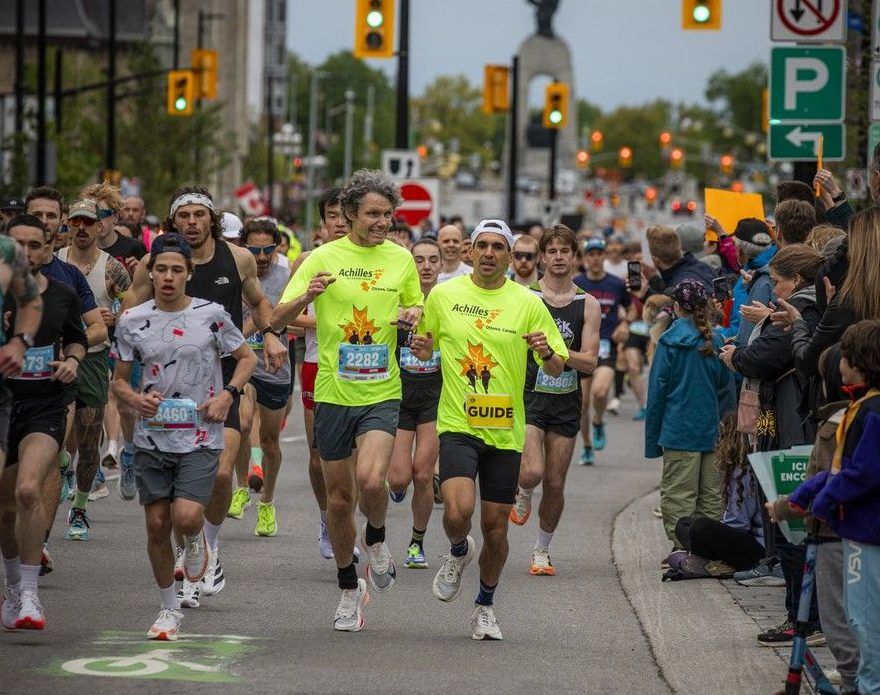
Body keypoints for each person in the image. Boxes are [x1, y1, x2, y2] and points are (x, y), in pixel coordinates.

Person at [271, 169, 423, 632]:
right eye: (373, 213)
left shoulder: (400, 260)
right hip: (335, 391)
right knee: (339, 501)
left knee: (372, 482)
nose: (382, 221)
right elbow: (276, 318)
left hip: (382, 388)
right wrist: (307, 297)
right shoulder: (321, 257)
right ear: (351, 213)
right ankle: (347, 587)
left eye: (387, 214)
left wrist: (414, 318)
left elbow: (416, 312)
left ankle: (375, 538)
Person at [124, 184, 286, 603]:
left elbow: (258, 302)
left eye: (199, 215)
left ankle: (206, 549)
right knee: (179, 489)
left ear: (211, 219)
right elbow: (129, 309)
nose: (192, 223)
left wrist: (269, 335)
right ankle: (192, 545)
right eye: (184, 216)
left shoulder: (238, 258)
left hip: (225, 381)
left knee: (217, 473)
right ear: (173, 221)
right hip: (170, 389)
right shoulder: (155, 264)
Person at [409, 218, 568, 640]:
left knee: (496, 529)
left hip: (505, 431)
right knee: (458, 512)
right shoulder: (444, 295)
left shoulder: (528, 302)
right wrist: (422, 345)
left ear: (510, 256)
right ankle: (458, 551)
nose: (489, 253)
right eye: (482, 245)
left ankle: (484, 605)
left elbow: (556, 364)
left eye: (499, 247)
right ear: (469, 250)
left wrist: (546, 351)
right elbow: (425, 341)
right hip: (458, 423)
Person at [112, 233, 256, 641]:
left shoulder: (211, 315)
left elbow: (246, 359)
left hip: (199, 435)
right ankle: (169, 609)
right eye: (162, 269)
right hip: (152, 438)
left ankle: (194, 542)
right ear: (150, 273)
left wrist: (228, 395)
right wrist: (136, 399)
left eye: (178, 269)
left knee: (186, 516)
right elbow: (119, 382)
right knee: (157, 524)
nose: (169, 277)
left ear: (189, 274)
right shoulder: (132, 321)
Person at [778, 320, 880, 692]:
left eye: (845, 358)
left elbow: (861, 473)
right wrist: (806, 498)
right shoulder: (861, 408)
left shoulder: (873, 411)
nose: (840, 366)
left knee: (865, 623)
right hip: (857, 532)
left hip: (866, 534)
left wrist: (821, 503)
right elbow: (838, 471)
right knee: (860, 619)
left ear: (859, 363)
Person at [0, 215, 83, 630]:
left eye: (35, 244)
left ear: (47, 245)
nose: (27, 253)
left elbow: (80, 338)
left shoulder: (62, 294)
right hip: (4, 404)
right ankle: (13, 585)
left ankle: (29, 594)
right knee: (4, 506)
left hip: (44, 406)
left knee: (29, 488)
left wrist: (71, 360)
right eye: (19, 245)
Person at [509, 224, 600, 575]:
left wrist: (554, 352)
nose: (559, 257)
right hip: (530, 396)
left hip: (565, 401)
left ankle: (541, 551)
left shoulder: (586, 304)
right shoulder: (525, 297)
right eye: (552, 251)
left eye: (566, 251)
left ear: (574, 257)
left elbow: (590, 361)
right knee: (532, 472)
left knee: (556, 482)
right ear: (542, 257)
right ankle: (522, 489)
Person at [57, 197, 131, 541]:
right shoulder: (54, 261)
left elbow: (134, 304)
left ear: (100, 225)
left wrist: (115, 317)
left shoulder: (111, 267)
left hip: (95, 355)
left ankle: (80, 508)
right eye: (77, 222)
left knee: (89, 441)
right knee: (56, 428)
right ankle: (60, 468)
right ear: (68, 225)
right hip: (55, 355)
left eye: (90, 221)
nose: (83, 228)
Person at [645, 280, 735, 554]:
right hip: (711, 430)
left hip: (677, 432)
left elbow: (657, 395)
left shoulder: (669, 342)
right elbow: (725, 388)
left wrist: (652, 442)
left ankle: (682, 549)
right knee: (711, 495)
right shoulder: (717, 340)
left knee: (678, 495)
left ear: (675, 307)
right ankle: (706, 550)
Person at [288, 188, 349, 559]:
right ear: (322, 222)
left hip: (365, 367)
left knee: (357, 455)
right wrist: (324, 323)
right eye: (332, 215)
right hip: (318, 362)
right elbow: (284, 315)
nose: (340, 222)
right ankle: (327, 516)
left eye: (345, 214)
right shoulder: (309, 260)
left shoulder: (379, 260)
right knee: (318, 453)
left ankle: (348, 519)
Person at [226, 219, 292, 538]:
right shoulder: (233, 268)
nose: (262, 256)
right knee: (242, 420)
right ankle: (244, 483)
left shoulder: (287, 272)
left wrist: (248, 331)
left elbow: (278, 314)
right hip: (244, 363)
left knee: (270, 440)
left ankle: (267, 501)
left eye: (268, 249)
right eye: (255, 249)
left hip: (277, 366)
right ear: (244, 248)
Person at [388, 238, 443, 569]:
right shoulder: (397, 299)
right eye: (419, 259)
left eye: (432, 260)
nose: (425, 265)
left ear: (440, 265)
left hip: (435, 398)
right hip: (400, 394)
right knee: (398, 479)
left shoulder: (449, 301)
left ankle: (416, 542)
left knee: (423, 475)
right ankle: (397, 487)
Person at [573, 238, 635, 465]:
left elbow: (630, 309)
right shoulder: (576, 284)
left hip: (606, 346)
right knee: (582, 405)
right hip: (581, 350)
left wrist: (624, 324)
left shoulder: (616, 284)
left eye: (600, 254)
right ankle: (587, 446)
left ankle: (598, 421)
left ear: (605, 257)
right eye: (591, 254)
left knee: (600, 393)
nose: (595, 258)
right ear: (585, 258)